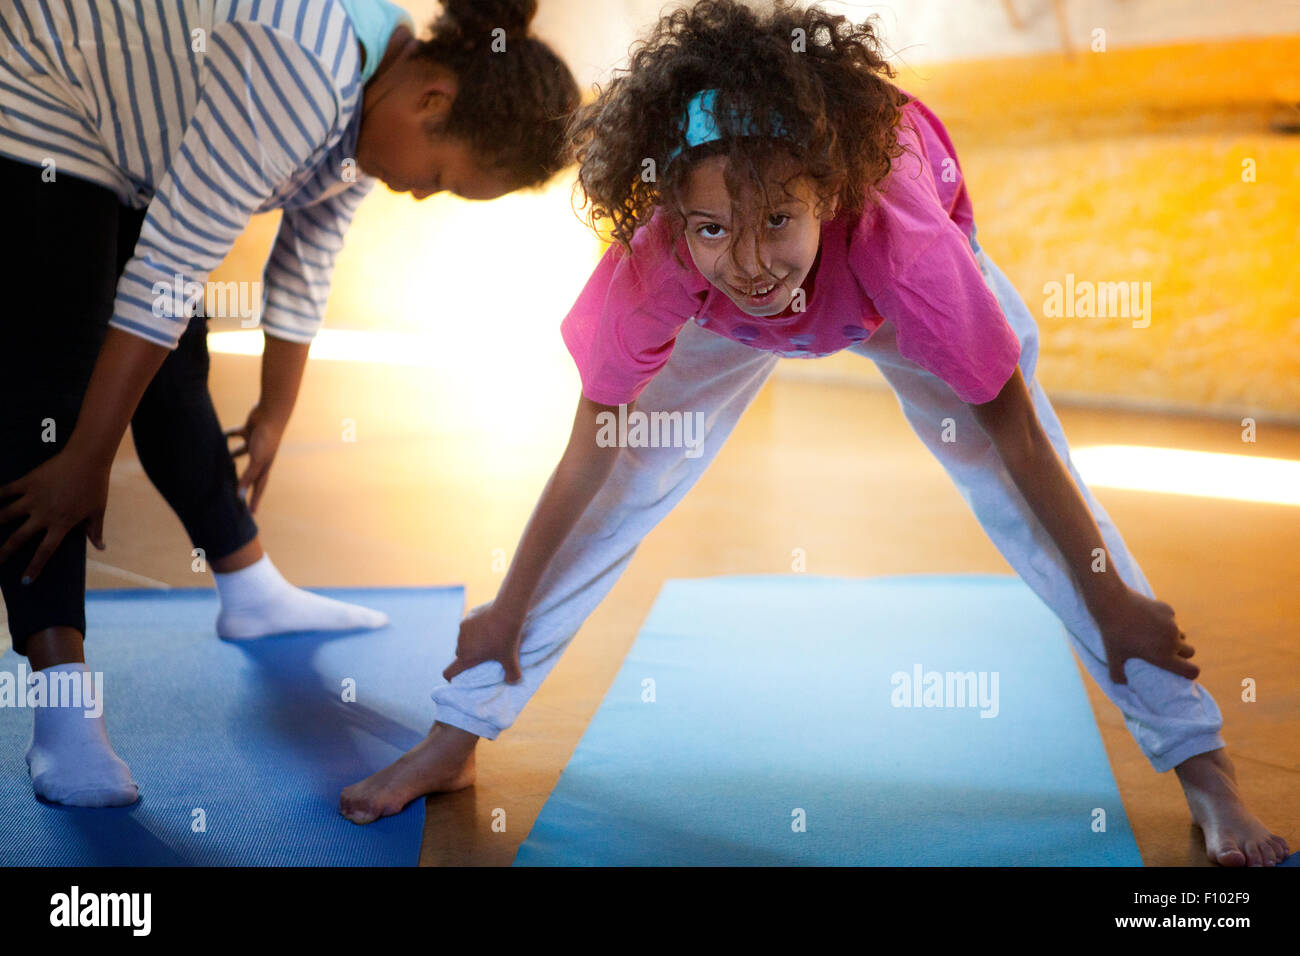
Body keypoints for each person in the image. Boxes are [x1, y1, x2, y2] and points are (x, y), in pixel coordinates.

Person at [339, 0, 1290, 867]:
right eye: (713, 226)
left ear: (826, 195)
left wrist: (1114, 601)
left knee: (1036, 509)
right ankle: (455, 737)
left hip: (875, 295)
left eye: (776, 220)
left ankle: (1202, 768)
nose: (751, 261)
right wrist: (507, 609)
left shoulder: (910, 253)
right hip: (719, 323)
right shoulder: (664, 262)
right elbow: (592, 459)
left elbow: (1020, 449)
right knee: (622, 485)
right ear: (672, 214)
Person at [0, 0, 579, 807]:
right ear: (433, 99)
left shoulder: (373, 92)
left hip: (129, 132)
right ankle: (62, 711)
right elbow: (170, 270)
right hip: (44, 73)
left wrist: (274, 411)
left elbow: (305, 266)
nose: (420, 194)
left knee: (171, 366)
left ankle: (248, 590)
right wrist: (89, 458)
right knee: (54, 385)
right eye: (440, 178)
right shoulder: (303, 67)